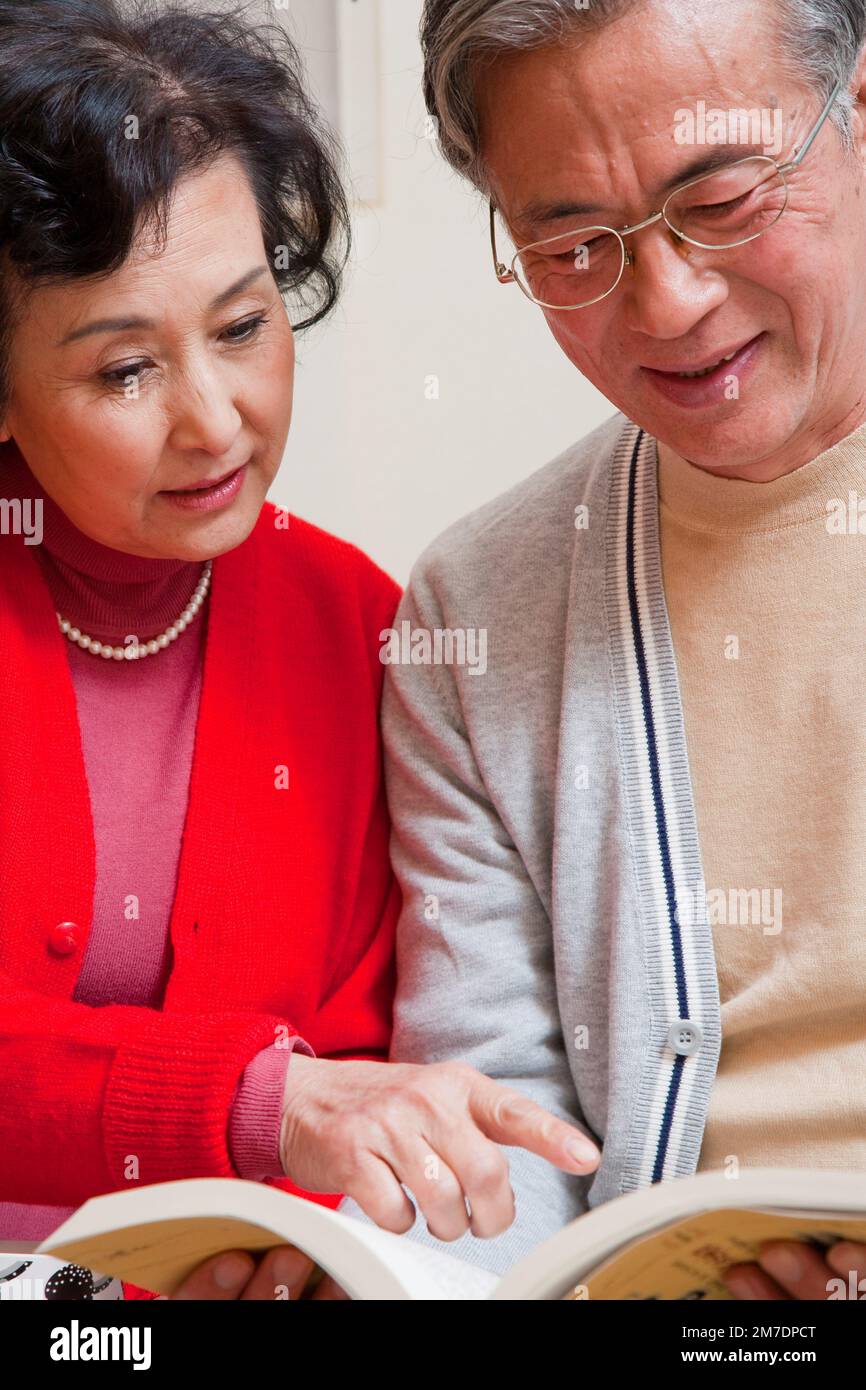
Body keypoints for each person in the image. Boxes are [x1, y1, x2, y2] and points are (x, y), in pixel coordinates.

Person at [0, 0, 600, 1302]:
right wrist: (253, 1104)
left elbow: (361, 1052)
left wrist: (300, 1239)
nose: (216, 420)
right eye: (121, 371)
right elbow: (287, 1094)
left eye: (240, 325)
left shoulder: (361, 623)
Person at [338, 0, 866, 1300]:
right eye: (570, 245)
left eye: (726, 199)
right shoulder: (478, 615)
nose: (669, 301)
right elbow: (497, 1127)